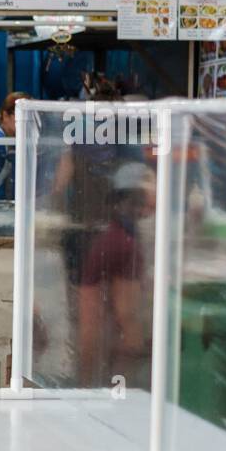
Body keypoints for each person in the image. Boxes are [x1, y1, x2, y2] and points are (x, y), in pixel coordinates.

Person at [77, 162, 155, 388]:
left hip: (99, 347)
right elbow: (126, 315)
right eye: (151, 181)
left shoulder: (114, 235)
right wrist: (139, 343)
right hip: (116, 353)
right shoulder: (125, 244)